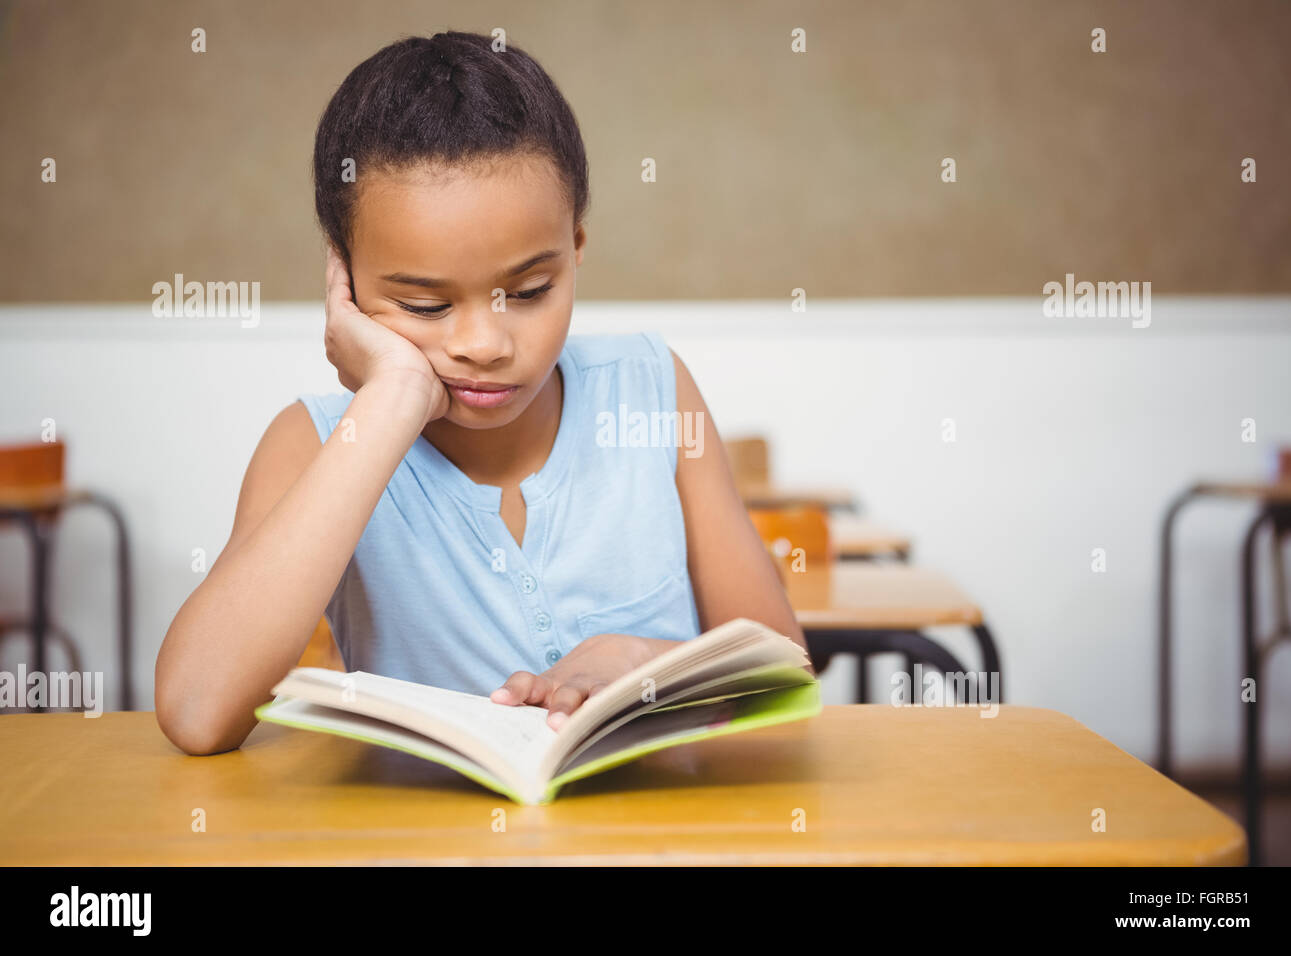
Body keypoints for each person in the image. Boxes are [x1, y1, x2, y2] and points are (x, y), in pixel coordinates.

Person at [156, 30, 805, 756]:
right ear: (345, 282)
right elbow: (195, 709)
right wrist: (392, 399)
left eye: (529, 291)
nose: (485, 344)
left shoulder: (650, 388)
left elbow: (784, 669)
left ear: (577, 246)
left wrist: (644, 665)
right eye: (427, 307)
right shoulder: (314, 444)